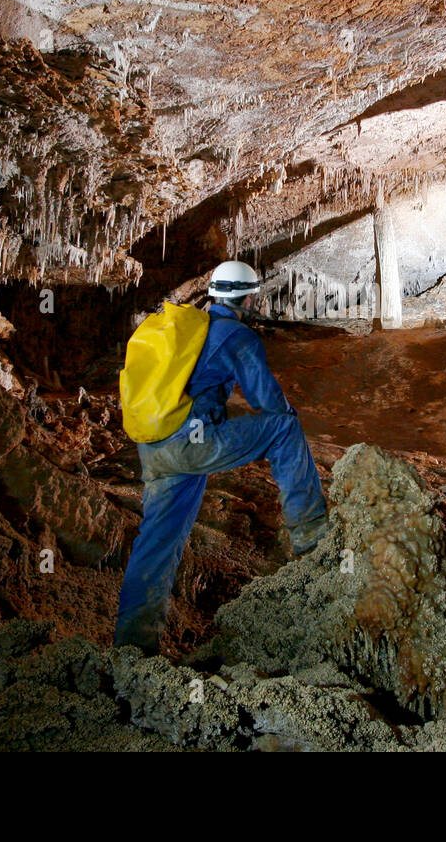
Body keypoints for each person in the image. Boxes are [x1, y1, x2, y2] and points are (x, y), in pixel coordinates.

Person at [114, 260, 329, 654]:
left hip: (155, 448)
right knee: (285, 429)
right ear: (247, 298)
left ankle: (132, 649)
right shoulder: (235, 335)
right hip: (189, 444)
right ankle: (313, 539)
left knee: (158, 544)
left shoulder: (190, 329)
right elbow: (270, 405)